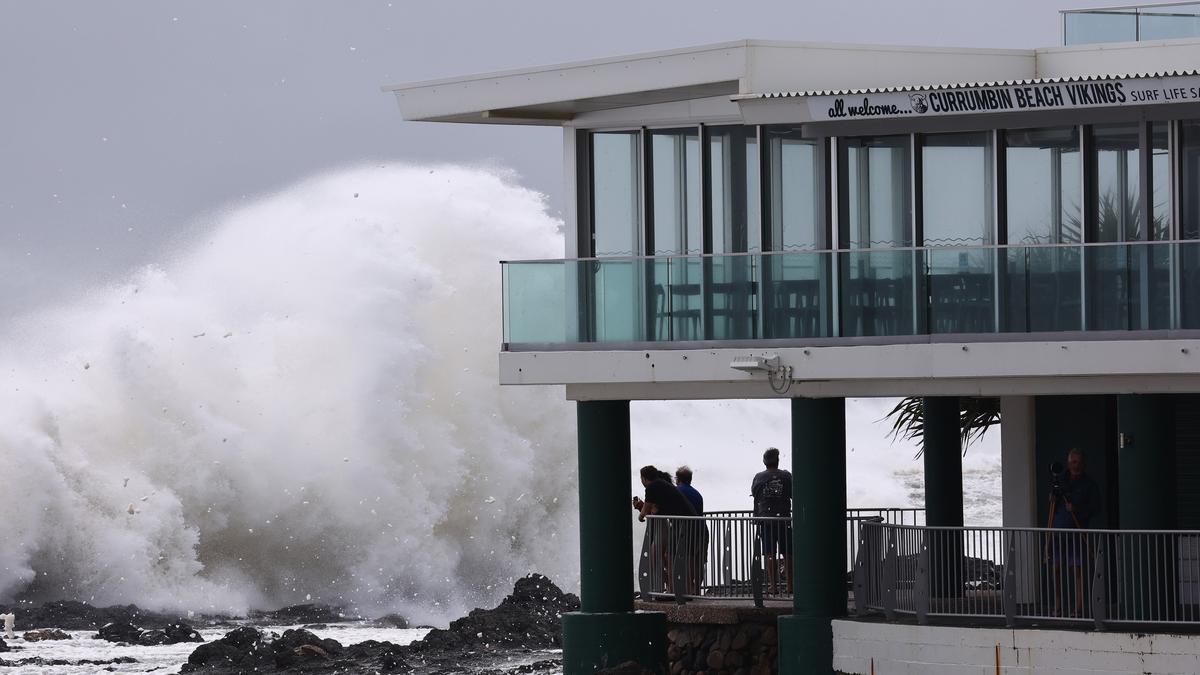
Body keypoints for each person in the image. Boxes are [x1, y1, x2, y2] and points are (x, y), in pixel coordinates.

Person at [1048, 448, 1100, 617]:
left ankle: (1078, 608)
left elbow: (1094, 508)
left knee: (1077, 570)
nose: (1073, 465)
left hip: (1076, 530)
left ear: (1083, 463)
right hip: (1058, 530)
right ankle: (1058, 605)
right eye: (1071, 462)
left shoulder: (1089, 484)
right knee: (1056, 568)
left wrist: (1077, 509)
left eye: (1076, 462)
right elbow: (1053, 503)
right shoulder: (1061, 481)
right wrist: (1053, 498)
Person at [633, 465, 697, 595]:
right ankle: (676, 588)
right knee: (669, 558)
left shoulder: (652, 487)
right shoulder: (662, 485)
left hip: (681, 525)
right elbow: (654, 509)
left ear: (644, 478)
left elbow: (648, 509)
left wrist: (640, 515)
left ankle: (674, 588)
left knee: (663, 558)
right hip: (686, 523)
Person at [751, 447, 793, 595]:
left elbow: (755, 496)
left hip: (766, 519)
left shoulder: (758, 477)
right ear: (777, 460)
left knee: (769, 553)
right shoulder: (786, 476)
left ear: (764, 461)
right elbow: (794, 493)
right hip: (784, 519)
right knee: (788, 553)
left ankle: (773, 586)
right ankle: (790, 585)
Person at [675, 466, 707, 594]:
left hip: (686, 530)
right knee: (697, 560)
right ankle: (696, 589)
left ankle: (688, 589)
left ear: (678, 479)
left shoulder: (677, 491)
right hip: (700, 528)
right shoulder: (697, 493)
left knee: (686, 558)